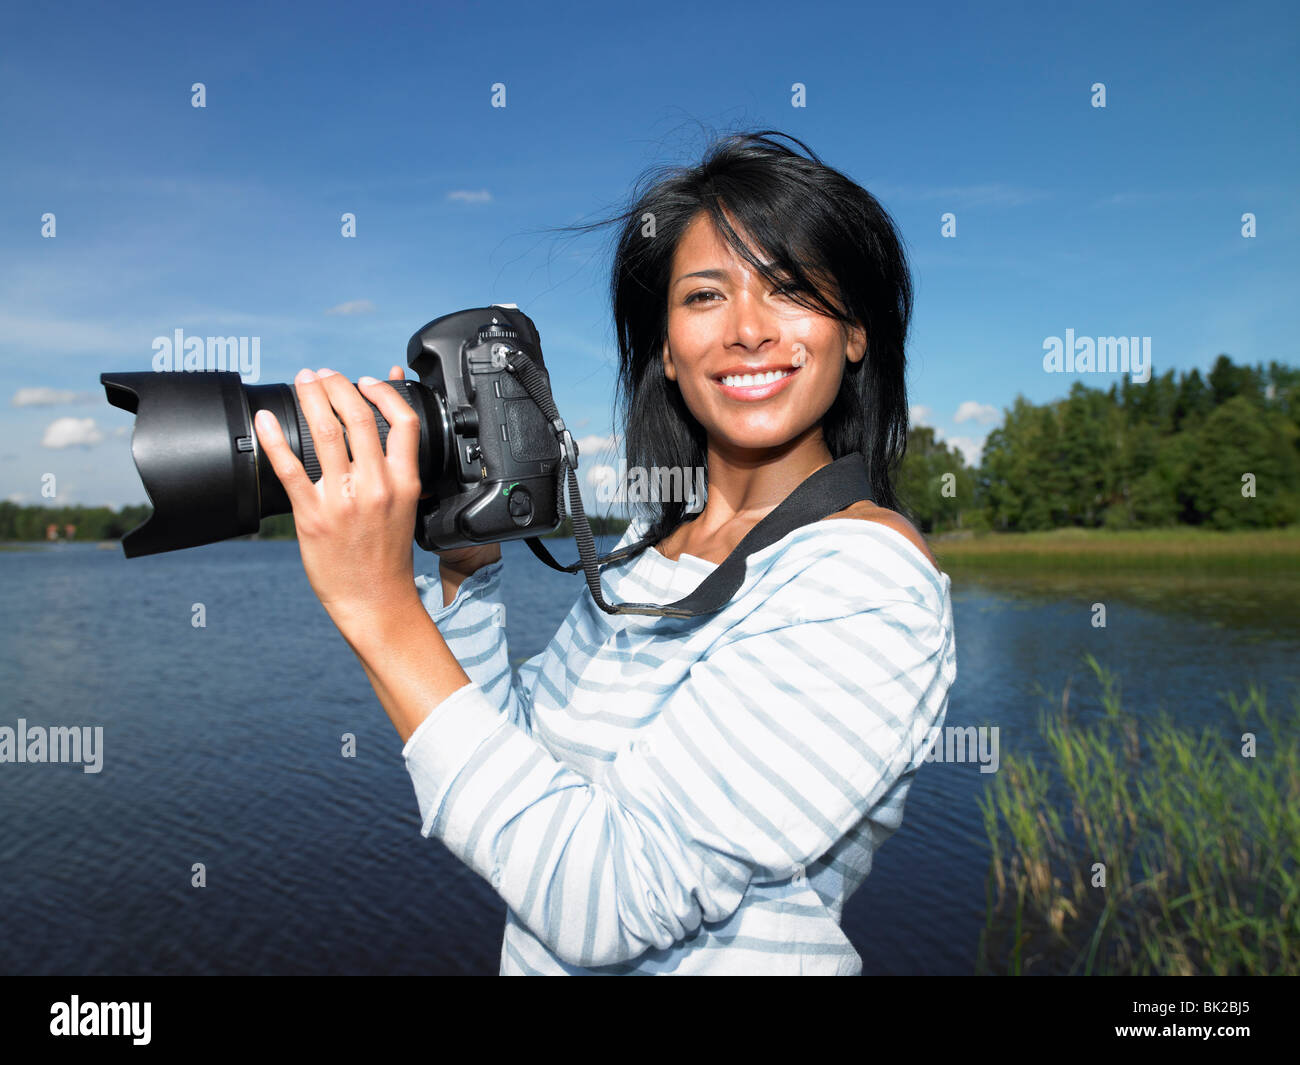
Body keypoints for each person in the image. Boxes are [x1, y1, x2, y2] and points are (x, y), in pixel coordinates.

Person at [253, 129, 957, 975]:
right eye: (704, 297)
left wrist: (375, 606)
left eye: (791, 289)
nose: (747, 330)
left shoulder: (865, 581)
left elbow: (606, 898)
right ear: (665, 347)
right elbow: (512, 772)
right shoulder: (648, 550)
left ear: (856, 334)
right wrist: (464, 560)